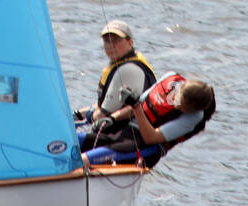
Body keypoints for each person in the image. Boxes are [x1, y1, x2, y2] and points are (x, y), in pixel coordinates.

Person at [82, 72, 216, 168]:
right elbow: (138, 104)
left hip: (146, 148)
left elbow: (150, 137)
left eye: (182, 107)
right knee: (76, 141)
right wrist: (111, 118)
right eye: (178, 100)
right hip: (126, 132)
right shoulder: (170, 80)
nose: (176, 105)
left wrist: (136, 106)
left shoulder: (194, 117)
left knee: (85, 159)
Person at [74, 21, 157, 152]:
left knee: (62, 138)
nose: (110, 45)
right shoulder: (123, 64)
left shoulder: (128, 70)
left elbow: (102, 115)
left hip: (124, 138)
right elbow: (105, 104)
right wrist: (76, 115)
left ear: (130, 42)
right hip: (117, 133)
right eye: (106, 41)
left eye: (116, 41)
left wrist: (86, 118)